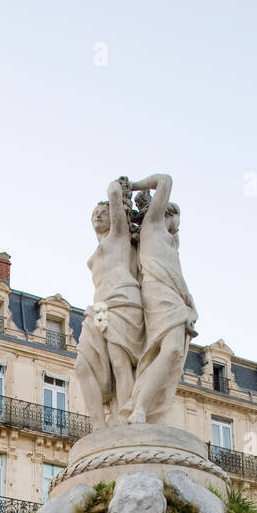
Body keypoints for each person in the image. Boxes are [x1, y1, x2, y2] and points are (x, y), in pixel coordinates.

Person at [124, 174, 198, 425]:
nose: (175, 230)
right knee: (172, 350)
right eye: (174, 223)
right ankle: (140, 407)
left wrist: (189, 304)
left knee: (171, 354)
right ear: (164, 213)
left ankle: (145, 408)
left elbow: (179, 277)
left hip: (175, 298)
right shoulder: (154, 224)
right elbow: (165, 180)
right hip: (157, 293)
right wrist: (133, 186)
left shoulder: (168, 241)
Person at [73, 178, 144, 426]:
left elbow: (114, 190)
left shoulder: (119, 236)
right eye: (94, 213)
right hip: (100, 307)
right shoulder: (102, 244)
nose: (97, 215)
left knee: (120, 363)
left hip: (123, 299)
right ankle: (98, 426)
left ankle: (124, 420)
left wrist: (129, 185)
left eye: (103, 212)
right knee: (83, 365)